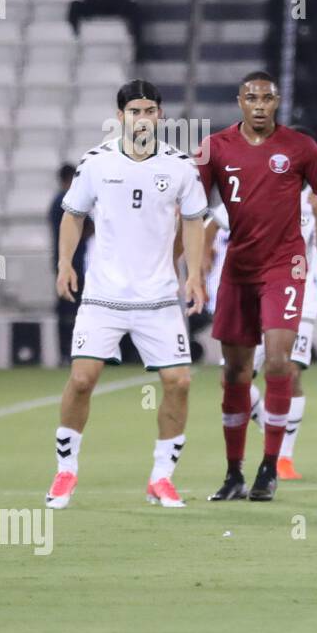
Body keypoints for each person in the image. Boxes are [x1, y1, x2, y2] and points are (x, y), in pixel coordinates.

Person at [45, 80, 208, 510]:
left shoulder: (180, 167)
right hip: (104, 296)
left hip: (157, 297)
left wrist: (193, 275)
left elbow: (194, 221)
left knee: (179, 382)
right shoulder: (96, 163)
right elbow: (72, 215)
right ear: (121, 117)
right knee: (82, 380)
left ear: (160, 116)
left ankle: (161, 478)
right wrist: (65, 262)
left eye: (150, 110)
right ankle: (65, 472)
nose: (142, 118)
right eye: (134, 110)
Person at [195, 72, 317, 502]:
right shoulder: (215, 148)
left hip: (285, 268)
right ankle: (232, 473)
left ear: (277, 101)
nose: (259, 106)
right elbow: (196, 210)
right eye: (251, 98)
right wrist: (193, 270)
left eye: (266, 98)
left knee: (279, 363)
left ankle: (270, 466)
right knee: (235, 373)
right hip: (238, 271)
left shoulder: (301, 148)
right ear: (239, 101)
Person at [49, 164, 90, 363]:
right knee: (72, 310)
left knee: (68, 310)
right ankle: (70, 352)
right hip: (72, 264)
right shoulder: (67, 201)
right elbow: (84, 228)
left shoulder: (57, 201)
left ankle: (68, 352)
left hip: (66, 262)